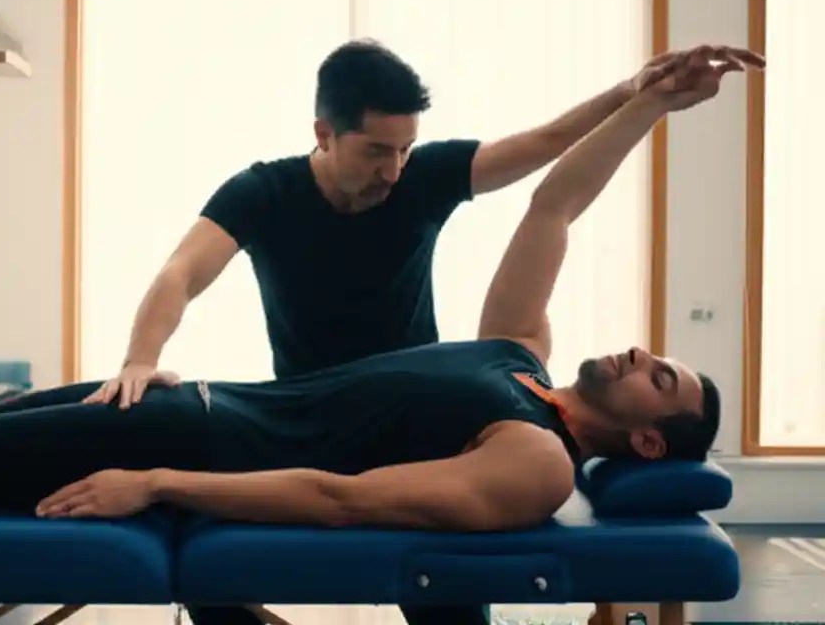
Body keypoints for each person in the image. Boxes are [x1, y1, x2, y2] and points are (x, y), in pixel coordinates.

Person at [0, 46, 756, 542]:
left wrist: (159, 483)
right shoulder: (517, 355)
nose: (637, 347)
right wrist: (645, 100)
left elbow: (348, 502)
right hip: (177, 399)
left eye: (656, 370)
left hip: (181, 441)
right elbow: (550, 205)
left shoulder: (536, 456)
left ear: (645, 434)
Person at [88, 39, 739, 412]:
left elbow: (550, 143)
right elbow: (183, 270)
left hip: (413, 404)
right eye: (376, 151)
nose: (394, 171)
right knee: (212, 568)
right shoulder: (265, 192)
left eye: (404, 150)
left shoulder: (425, 176)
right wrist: (140, 361)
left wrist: (635, 90)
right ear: (324, 133)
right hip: (311, 410)